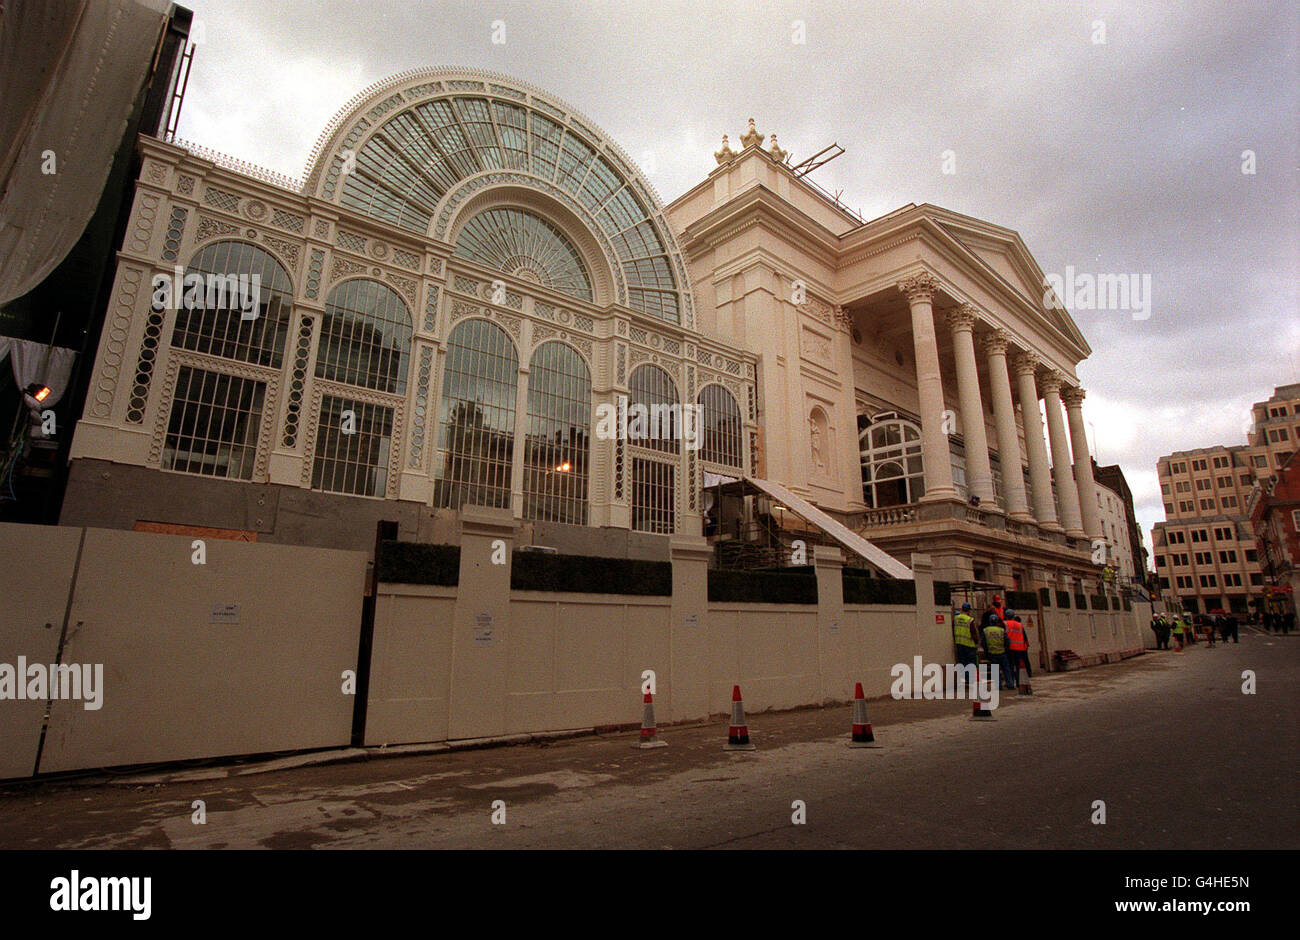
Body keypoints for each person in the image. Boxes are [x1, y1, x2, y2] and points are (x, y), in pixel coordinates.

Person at [981, 611, 1014, 690]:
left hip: (992, 653)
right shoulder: (1001, 630)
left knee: (995, 670)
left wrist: (987, 651)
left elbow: (983, 642)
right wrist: (1006, 649)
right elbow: (1007, 641)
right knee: (1006, 669)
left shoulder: (986, 630)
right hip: (1002, 652)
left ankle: (998, 686)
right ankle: (1010, 684)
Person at [953, 602, 980, 690]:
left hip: (959, 644)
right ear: (969, 610)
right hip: (969, 644)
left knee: (962, 662)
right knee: (971, 663)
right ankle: (971, 680)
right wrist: (976, 642)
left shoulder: (955, 618)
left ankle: (964, 679)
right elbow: (973, 632)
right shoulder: (970, 620)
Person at [1004, 608, 1031, 688]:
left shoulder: (1005, 624)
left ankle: (1011, 682)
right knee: (1018, 666)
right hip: (1019, 648)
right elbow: (1024, 636)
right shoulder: (1019, 625)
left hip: (1010, 648)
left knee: (1010, 666)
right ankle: (1019, 682)